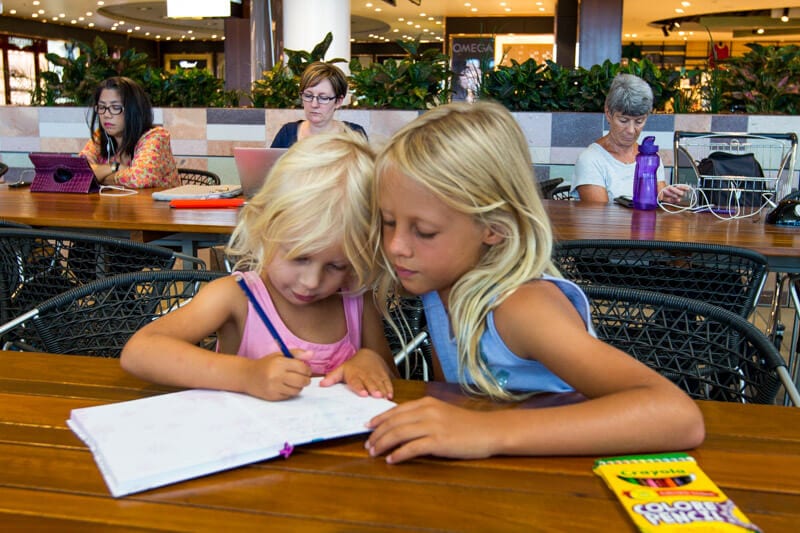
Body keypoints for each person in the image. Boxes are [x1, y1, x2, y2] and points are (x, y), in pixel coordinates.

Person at [364, 101, 705, 464]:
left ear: (494, 228)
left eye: (425, 231)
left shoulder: (521, 307)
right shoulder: (440, 286)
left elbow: (678, 416)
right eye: (388, 222)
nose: (395, 245)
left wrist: (488, 432)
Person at [121, 130, 397, 401]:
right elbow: (140, 352)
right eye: (299, 257)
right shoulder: (236, 297)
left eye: (336, 266)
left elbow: (394, 383)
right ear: (264, 226)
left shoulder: (356, 302)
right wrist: (246, 375)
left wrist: (371, 360)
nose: (312, 281)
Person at [571, 74, 688, 203]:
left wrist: (665, 199)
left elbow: (658, 202)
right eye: (624, 120)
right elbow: (598, 215)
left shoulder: (651, 158)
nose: (631, 130)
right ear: (608, 114)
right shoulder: (591, 159)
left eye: (639, 121)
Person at [80, 76, 179, 188]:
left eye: (115, 107)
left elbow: (140, 179)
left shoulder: (155, 136)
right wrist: (114, 167)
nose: (106, 115)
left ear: (134, 110)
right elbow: (76, 173)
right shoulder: (100, 137)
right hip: (116, 204)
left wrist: (99, 177)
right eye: (102, 107)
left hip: (153, 205)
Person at [270, 62, 367, 148]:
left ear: (338, 101)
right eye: (308, 95)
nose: (314, 104)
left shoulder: (355, 134)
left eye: (323, 98)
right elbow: (269, 167)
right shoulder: (287, 133)